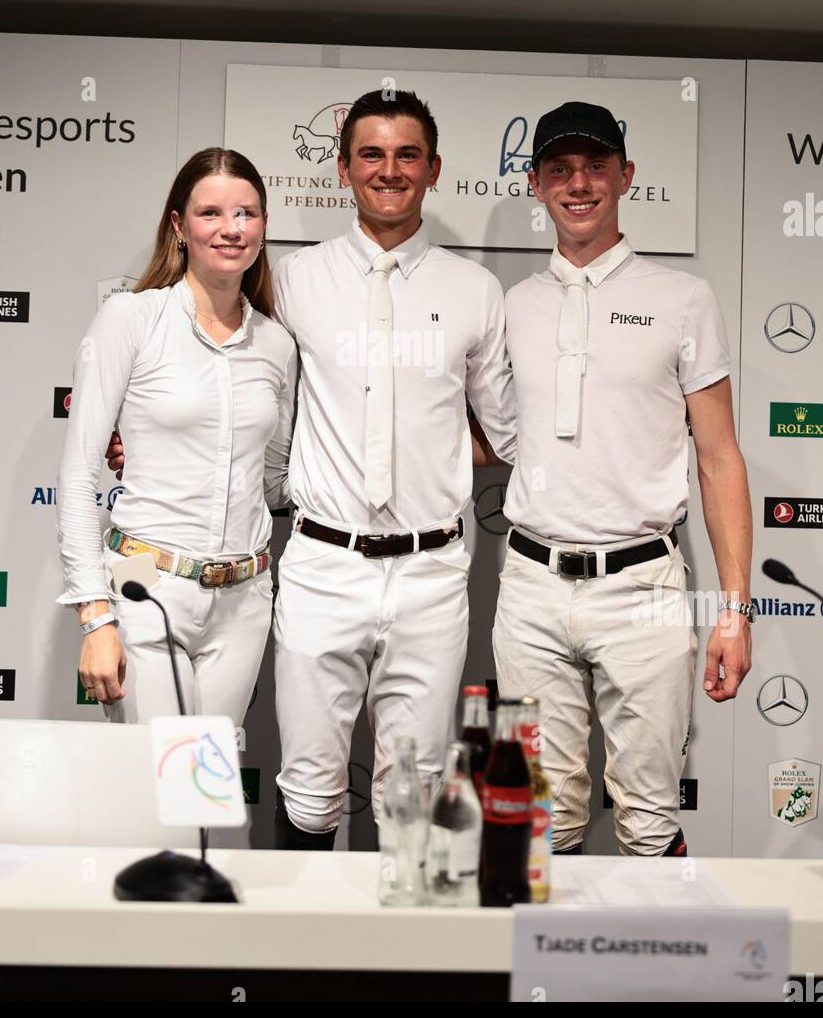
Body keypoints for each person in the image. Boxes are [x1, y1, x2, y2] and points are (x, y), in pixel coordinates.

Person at [488, 101, 753, 857]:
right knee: (544, 820)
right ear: (536, 183)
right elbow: (479, 432)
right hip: (532, 589)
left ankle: (649, 976)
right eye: (561, 169)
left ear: (626, 176)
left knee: (648, 821)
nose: (580, 185)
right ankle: (550, 978)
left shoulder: (683, 299)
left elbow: (721, 457)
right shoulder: (510, 307)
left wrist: (735, 611)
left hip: (643, 589)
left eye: (596, 166)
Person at [271, 88, 516, 847]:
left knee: (410, 798)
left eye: (407, 155)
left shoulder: (474, 290)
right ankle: (302, 963)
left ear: (433, 168)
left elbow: (503, 431)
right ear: (344, 168)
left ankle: (397, 966)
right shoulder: (289, 281)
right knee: (310, 795)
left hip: (430, 575)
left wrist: (432, 438)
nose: (389, 170)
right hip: (320, 563)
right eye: (371, 154)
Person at [57, 147, 296, 725]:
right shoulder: (131, 320)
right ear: (178, 226)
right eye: (210, 213)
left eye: (246, 213)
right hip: (143, 581)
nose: (230, 228)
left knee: (200, 798)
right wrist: (96, 617)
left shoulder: (277, 345)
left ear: (264, 227)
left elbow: (276, 482)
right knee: (152, 793)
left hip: (245, 596)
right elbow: (78, 473)